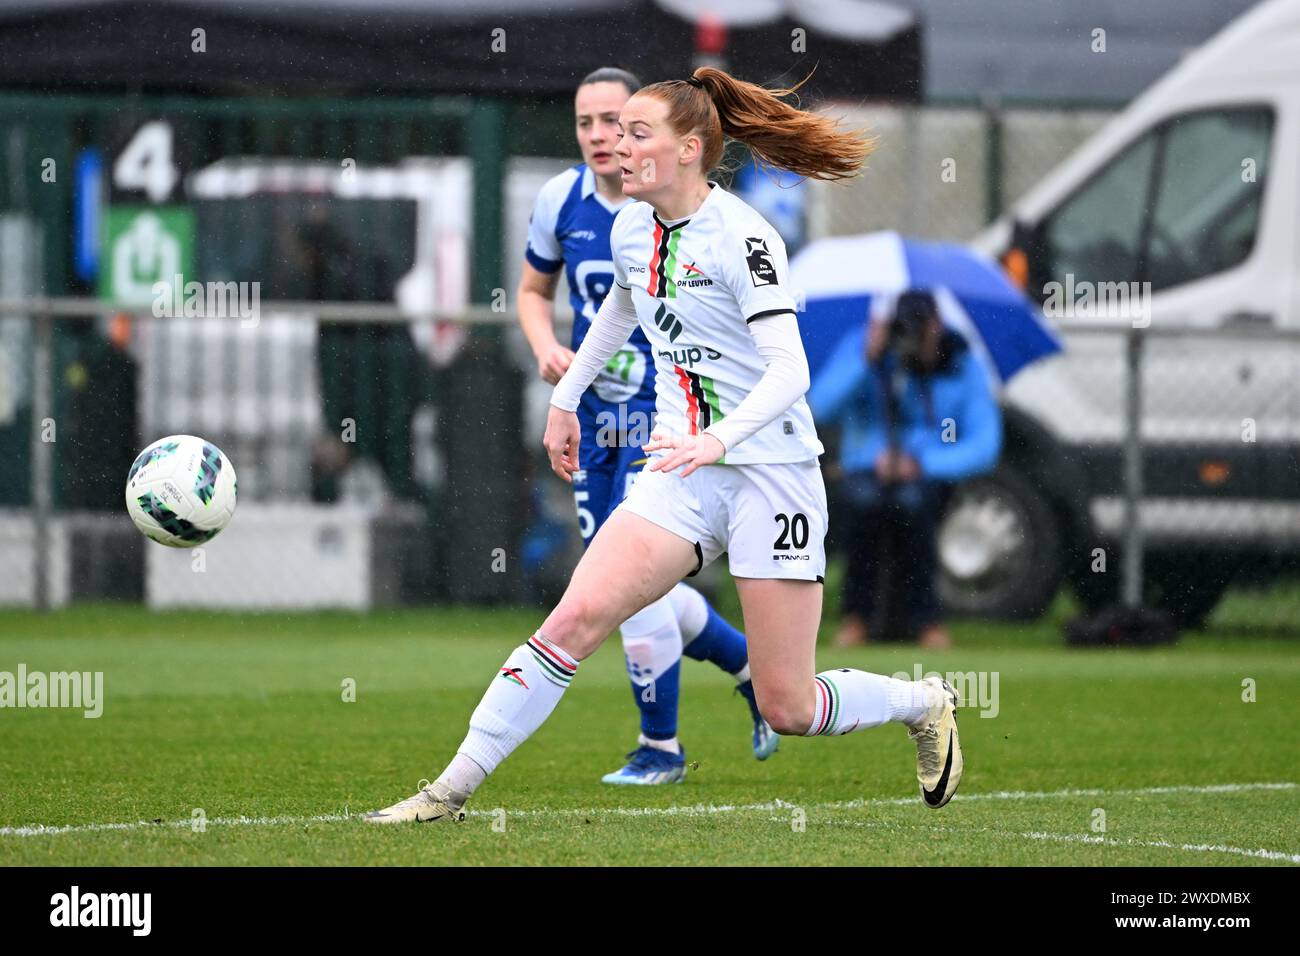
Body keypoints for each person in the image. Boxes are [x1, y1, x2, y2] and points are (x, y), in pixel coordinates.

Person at [365, 67, 964, 824]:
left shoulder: (744, 236)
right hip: (678, 471)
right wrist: (565, 398)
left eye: (634, 131)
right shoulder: (629, 225)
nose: (615, 142)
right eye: (612, 130)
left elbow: (792, 370)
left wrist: (719, 439)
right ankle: (445, 794)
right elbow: (619, 309)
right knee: (571, 622)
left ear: (688, 149)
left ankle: (924, 701)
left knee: (789, 703)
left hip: (770, 475)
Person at [516, 66, 777, 784]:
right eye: (587, 123)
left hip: (662, 421)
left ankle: (659, 746)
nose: (603, 137)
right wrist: (551, 359)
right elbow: (534, 291)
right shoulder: (561, 200)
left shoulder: (671, 208)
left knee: (623, 584)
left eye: (619, 123)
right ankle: (748, 666)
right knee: (632, 584)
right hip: (596, 415)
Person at [809, 291, 1002, 649]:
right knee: (864, 503)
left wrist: (922, 463)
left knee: (913, 505)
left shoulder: (961, 364)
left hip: (927, 475)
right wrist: (865, 358)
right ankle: (856, 617)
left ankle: (927, 620)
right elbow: (818, 407)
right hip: (868, 470)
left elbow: (984, 444)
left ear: (937, 327)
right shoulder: (868, 349)